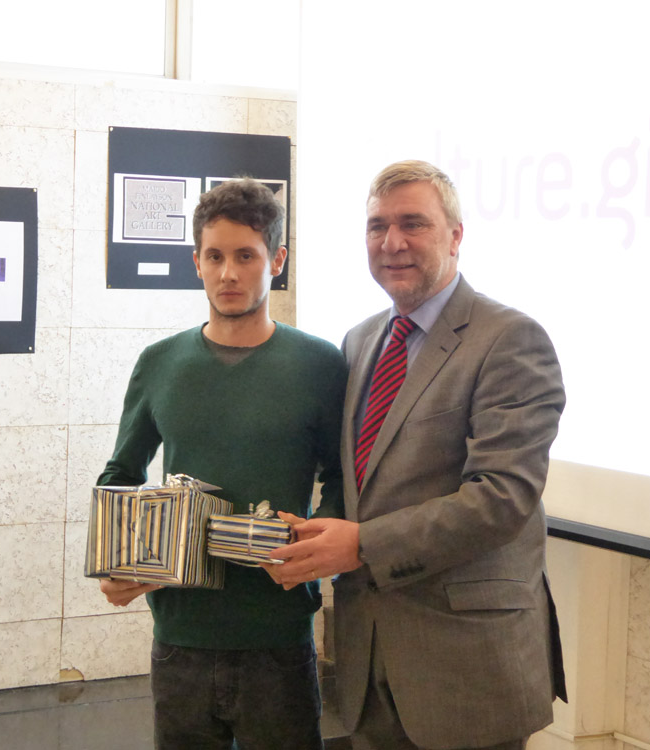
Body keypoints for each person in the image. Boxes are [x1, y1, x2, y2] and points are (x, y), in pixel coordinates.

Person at [267, 160, 568, 750]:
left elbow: (500, 500)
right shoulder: (361, 339)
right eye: (377, 227)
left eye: (413, 224)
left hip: (467, 668)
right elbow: (357, 481)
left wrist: (360, 544)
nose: (392, 243)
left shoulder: (510, 340)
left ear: (456, 236)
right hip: (369, 663)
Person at [95, 178, 347, 750]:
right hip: (182, 632)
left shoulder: (320, 365)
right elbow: (120, 476)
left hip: (277, 636)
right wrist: (117, 563)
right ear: (197, 262)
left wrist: (315, 547)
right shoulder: (159, 364)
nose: (229, 273)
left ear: (276, 260)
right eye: (215, 256)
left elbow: (341, 479)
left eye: (245, 256)